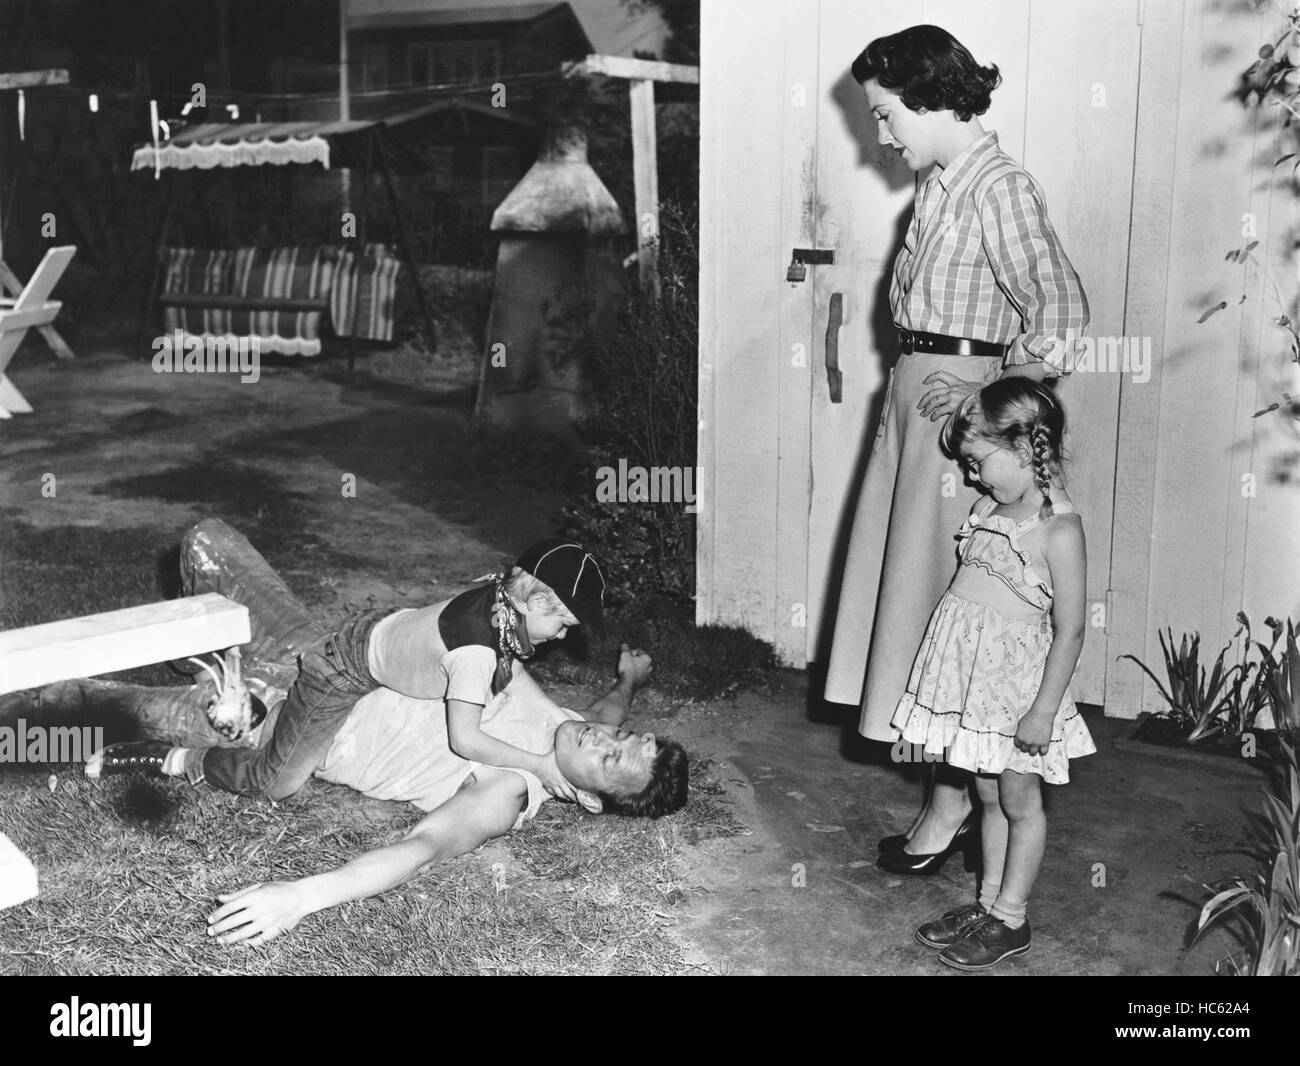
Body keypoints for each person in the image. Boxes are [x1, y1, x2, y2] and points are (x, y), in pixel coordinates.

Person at [822, 24, 1089, 874]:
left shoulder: (998, 188)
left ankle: (949, 803)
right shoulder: (940, 187)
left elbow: (1061, 314)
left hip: (953, 424)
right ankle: (947, 793)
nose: (883, 133)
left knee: (952, 611)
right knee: (922, 611)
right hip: (914, 408)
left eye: (889, 113)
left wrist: (984, 400)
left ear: (935, 98)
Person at [89, 527, 612, 808]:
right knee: (208, 538)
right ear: (533, 603)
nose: (606, 737)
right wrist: (550, 749)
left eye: (612, 756)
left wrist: (618, 686)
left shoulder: (511, 788)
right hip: (324, 663)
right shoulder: (486, 656)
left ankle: (173, 751)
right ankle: (198, 658)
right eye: (563, 625)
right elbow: (469, 734)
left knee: (89, 704)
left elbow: (424, 848)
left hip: (271, 709)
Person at [894, 379, 1095, 969]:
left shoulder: (1058, 529)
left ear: (1022, 443)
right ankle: (987, 904)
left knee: (1018, 799)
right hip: (975, 690)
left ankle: (1012, 916)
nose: (974, 477)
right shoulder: (990, 508)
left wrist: (1042, 711)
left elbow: (1072, 630)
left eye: (979, 461)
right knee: (986, 792)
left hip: (1018, 696)